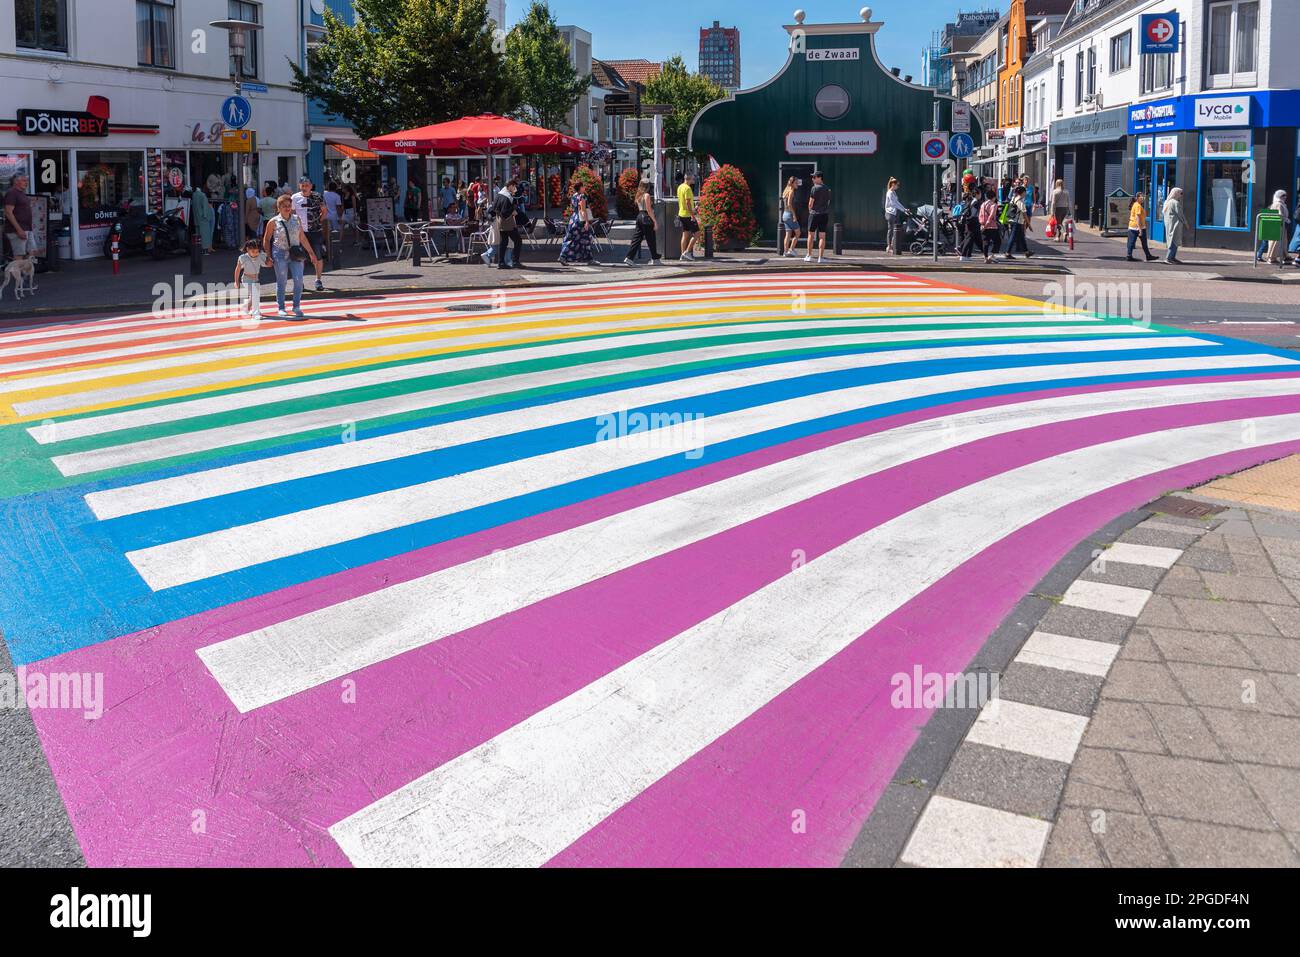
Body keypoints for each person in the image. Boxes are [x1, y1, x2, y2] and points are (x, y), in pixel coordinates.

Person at [263, 193, 319, 318]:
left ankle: (296, 306)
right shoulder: (273, 222)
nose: (287, 208)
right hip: (280, 253)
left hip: (296, 253)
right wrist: (268, 256)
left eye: (289, 205)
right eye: (284, 206)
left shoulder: (296, 219)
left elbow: (302, 237)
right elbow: (266, 239)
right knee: (281, 281)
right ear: (279, 208)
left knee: (298, 279)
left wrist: (311, 253)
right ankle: (281, 307)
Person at [292, 176, 327, 290]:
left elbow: (324, 211)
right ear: (299, 186)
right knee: (299, 257)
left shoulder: (317, 196)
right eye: (302, 185)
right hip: (300, 232)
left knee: (317, 255)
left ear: (311, 186)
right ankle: (299, 282)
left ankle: (318, 280)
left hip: (315, 231)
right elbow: (292, 213)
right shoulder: (295, 198)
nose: (304, 188)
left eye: (307, 185)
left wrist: (318, 221)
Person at [623, 181, 662, 266]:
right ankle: (655, 258)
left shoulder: (638, 195)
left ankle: (629, 258)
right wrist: (655, 221)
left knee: (637, 239)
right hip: (646, 217)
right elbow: (649, 209)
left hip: (639, 216)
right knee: (651, 239)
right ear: (647, 186)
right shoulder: (646, 195)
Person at [491, 178, 524, 270]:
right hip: (507, 221)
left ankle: (501, 262)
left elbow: (494, 208)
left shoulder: (499, 194)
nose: (515, 189)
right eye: (514, 187)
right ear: (510, 186)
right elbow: (506, 211)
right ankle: (515, 261)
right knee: (518, 240)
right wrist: (514, 209)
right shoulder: (507, 197)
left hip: (500, 221)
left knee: (504, 241)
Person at [559, 189, 596, 265]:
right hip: (580, 220)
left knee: (572, 238)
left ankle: (564, 256)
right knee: (586, 238)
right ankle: (588, 258)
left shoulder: (574, 196)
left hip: (573, 219)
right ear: (580, 188)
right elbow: (583, 210)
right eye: (583, 186)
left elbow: (574, 208)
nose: (585, 188)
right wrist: (586, 221)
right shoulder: (582, 196)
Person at [3, 170, 32, 264]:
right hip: (17, 230)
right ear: (16, 182)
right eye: (24, 180)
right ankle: (18, 278)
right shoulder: (12, 193)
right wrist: (19, 230)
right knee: (19, 256)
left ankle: (25, 276)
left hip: (27, 228)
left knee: (31, 252)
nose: (26, 183)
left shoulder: (21, 193)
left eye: (27, 181)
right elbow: (8, 212)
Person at [234, 238, 267, 319]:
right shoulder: (243, 258)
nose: (255, 254)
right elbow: (237, 269)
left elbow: (266, 263)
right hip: (246, 279)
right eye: (253, 252)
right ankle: (256, 313)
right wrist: (236, 281)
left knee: (254, 295)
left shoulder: (260, 255)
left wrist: (269, 263)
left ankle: (246, 306)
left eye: (257, 251)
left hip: (256, 279)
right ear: (248, 249)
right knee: (255, 295)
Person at [805, 171, 831, 263]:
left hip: (814, 214)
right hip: (824, 214)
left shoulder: (814, 188)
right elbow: (828, 202)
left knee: (810, 235)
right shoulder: (828, 189)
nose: (813, 179)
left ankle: (809, 255)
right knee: (822, 236)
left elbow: (810, 203)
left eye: (814, 177)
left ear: (820, 178)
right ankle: (820, 257)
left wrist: (810, 210)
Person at [1001, 185, 1030, 260]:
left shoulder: (1014, 199)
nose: (1025, 194)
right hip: (1017, 222)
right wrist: (1028, 224)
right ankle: (1007, 252)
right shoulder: (1020, 202)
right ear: (1022, 193)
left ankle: (1027, 252)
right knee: (1012, 237)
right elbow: (1024, 214)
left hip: (1012, 220)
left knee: (1021, 237)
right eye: (1025, 192)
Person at [1264, 190, 1292, 265]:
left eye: (1285, 195)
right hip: (1278, 225)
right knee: (1275, 242)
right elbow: (1280, 215)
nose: (1285, 197)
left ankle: (1284, 256)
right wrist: (1287, 220)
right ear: (1279, 196)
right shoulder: (1278, 204)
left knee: (1282, 241)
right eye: (1283, 195)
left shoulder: (1281, 204)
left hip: (1280, 224)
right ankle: (1271, 258)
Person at [1161, 187, 1189, 264]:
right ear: (1176, 193)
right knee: (1174, 241)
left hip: (1170, 225)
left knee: (1173, 240)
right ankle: (1169, 258)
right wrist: (1186, 223)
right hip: (1174, 225)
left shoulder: (1167, 202)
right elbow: (1180, 214)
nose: (1181, 195)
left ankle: (1172, 257)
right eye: (1180, 193)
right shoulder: (1174, 203)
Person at [1126, 192, 1156, 262]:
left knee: (1133, 242)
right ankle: (1130, 256)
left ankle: (1147, 255)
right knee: (1136, 242)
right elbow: (1137, 218)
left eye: (1143, 197)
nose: (1143, 198)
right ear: (1137, 198)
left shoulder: (1136, 205)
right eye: (1141, 197)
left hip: (1134, 226)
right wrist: (1140, 229)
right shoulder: (1138, 206)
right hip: (1137, 227)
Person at [676, 172, 700, 261]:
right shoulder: (688, 189)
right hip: (688, 215)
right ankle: (687, 252)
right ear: (688, 179)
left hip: (681, 214)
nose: (694, 180)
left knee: (685, 234)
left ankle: (682, 255)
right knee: (697, 233)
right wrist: (693, 215)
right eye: (693, 179)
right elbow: (688, 203)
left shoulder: (680, 187)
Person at [884, 177, 908, 255]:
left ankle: (892, 245)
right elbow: (894, 204)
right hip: (890, 213)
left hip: (894, 213)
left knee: (896, 230)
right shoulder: (890, 193)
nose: (898, 186)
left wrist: (904, 209)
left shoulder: (893, 192)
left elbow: (897, 202)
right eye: (897, 185)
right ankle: (889, 247)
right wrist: (903, 210)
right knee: (891, 230)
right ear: (893, 184)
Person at [780, 176, 802, 257]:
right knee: (798, 233)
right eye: (796, 183)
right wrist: (794, 215)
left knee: (788, 234)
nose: (797, 184)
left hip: (784, 215)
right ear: (792, 184)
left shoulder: (786, 190)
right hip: (789, 215)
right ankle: (791, 249)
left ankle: (785, 252)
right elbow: (789, 204)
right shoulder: (791, 191)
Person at [978, 187, 1000, 264]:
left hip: (982, 225)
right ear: (993, 197)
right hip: (992, 226)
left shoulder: (983, 204)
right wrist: (987, 224)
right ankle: (992, 255)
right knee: (997, 241)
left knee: (985, 242)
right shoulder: (994, 205)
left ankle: (985, 257)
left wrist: (982, 224)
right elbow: (991, 216)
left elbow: (980, 215)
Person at [1049, 179, 1072, 243]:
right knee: (1062, 223)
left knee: (1058, 223)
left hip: (1058, 209)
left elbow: (1053, 203)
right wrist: (1069, 210)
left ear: (1056, 184)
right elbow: (1069, 201)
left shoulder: (1055, 191)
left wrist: (1052, 212)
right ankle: (1059, 236)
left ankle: (1063, 233)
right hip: (1065, 209)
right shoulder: (1066, 191)